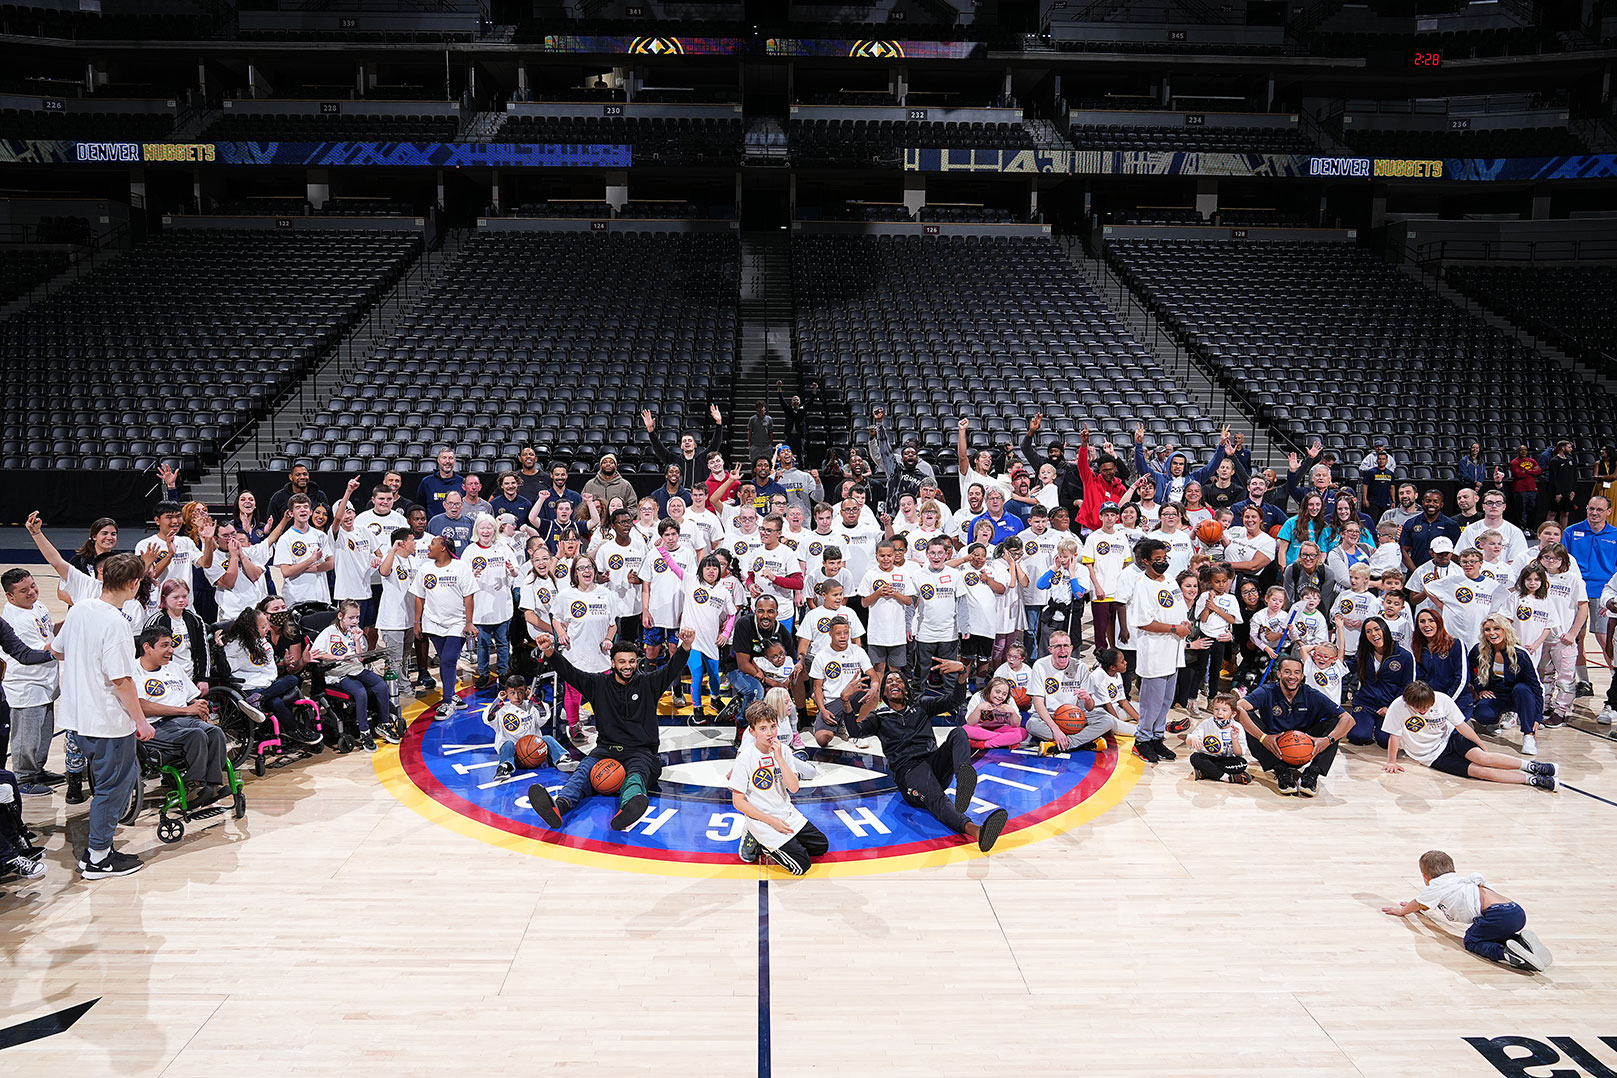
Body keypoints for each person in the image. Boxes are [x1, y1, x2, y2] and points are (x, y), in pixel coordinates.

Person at [526, 629, 695, 832]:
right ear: (613, 663)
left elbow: (672, 668)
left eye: (631, 661)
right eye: (622, 662)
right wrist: (550, 652)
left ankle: (628, 808)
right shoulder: (598, 684)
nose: (627, 666)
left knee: (636, 776)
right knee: (583, 772)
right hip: (605, 750)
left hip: (641, 752)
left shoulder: (649, 683)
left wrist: (685, 646)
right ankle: (558, 806)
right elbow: (570, 673)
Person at [56, 553, 154, 879]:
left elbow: (57, 650)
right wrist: (141, 721)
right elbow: (121, 680)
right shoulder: (116, 622)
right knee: (113, 789)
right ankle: (98, 858)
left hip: (77, 717)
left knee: (106, 786)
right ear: (133, 583)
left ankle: (98, 852)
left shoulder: (80, 608)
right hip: (107, 721)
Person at [849, 665, 1009, 852]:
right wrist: (846, 703)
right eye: (889, 681)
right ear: (884, 692)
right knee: (938, 799)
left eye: (898, 680)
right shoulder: (878, 717)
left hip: (934, 764)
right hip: (909, 773)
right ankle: (977, 831)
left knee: (959, 733)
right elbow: (855, 731)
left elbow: (954, 701)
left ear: (906, 689)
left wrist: (962, 674)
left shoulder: (921, 705)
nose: (894, 683)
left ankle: (964, 778)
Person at [1381, 850, 1553, 972]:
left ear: (1425, 877)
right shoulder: (1460, 881)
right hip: (1516, 912)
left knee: (1472, 940)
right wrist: (1420, 907)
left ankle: (1508, 954)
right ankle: (1523, 943)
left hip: (1498, 916)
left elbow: (1418, 902)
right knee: (1490, 934)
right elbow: (1424, 904)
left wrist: (1402, 911)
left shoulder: (1437, 885)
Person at [1381, 680, 1559, 792]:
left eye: (1427, 707)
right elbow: (1394, 736)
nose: (1423, 711)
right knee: (1480, 772)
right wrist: (1391, 761)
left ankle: (1533, 766)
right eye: (1419, 709)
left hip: (1449, 737)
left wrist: (1480, 743)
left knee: (1483, 758)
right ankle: (1533, 780)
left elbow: (1461, 725)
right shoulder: (1398, 706)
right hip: (1431, 756)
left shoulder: (1442, 699)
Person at [132, 628, 230, 802]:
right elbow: (141, 706)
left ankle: (213, 785)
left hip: (183, 721)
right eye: (165, 645)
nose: (171, 650)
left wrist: (200, 706)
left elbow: (192, 698)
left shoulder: (174, 668)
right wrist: (186, 710)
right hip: (153, 727)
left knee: (215, 732)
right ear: (147, 647)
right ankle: (192, 785)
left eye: (171, 645)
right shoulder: (133, 670)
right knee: (196, 736)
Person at [731, 702, 829, 875]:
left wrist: (780, 759)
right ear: (752, 732)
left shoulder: (783, 751)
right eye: (763, 728)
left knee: (821, 846)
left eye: (773, 726)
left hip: (786, 813)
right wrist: (770, 820)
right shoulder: (745, 758)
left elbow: (794, 788)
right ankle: (760, 840)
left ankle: (779, 843)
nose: (770, 733)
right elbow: (738, 802)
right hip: (762, 819)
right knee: (801, 866)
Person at [1234, 656, 1354, 798]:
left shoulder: (1311, 694)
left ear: (1302, 676)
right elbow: (1237, 708)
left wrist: (1327, 740)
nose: (1292, 676)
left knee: (1335, 721)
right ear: (1279, 674)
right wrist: (1263, 737)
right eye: (1287, 672)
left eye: (1297, 672)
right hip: (1273, 748)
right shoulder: (1267, 691)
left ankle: (1312, 773)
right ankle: (1280, 770)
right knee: (1246, 716)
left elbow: (1349, 720)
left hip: (1306, 748)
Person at [1126, 538, 1189, 764]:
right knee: (1151, 702)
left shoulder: (1170, 579)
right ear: (1146, 561)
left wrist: (1185, 623)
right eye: (1158, 559)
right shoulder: (1143, 585)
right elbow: (1143, 622)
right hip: (1155, 650)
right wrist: (1174, 628)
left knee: (1166, 700)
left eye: (1165, 558)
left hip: (1174, 649)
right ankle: (1142, 740)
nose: (1163, 562)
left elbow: (1178, 608)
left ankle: (1157, 737)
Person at [2, 568, 60, 796]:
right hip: (26, 686)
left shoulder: (37, 606)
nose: (32, 592)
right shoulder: (15, 620)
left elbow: (49, 633)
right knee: (27, 737)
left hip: (44, 682)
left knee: (43, 734)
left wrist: (72, 622)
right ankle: (23, 777)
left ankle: (37, 770)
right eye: (23, 591)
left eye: (33, 586)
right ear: (10, 596)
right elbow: (37, 652)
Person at [308, 600, 389, 752]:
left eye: (357, 617)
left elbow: (361, 658)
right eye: (351, 618)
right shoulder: (328, 633)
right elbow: (315, 653)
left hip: (356, 668)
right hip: (338, 673)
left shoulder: (356, 632)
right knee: (360, 692)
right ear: (340, 616)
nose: (355, 621)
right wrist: (336, 657)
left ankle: (384, 724)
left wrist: (358, 640)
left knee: (381, 685)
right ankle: (364, 732)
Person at [410, 535, 476, 715]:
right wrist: (417, 622)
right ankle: (452, 694)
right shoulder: (426, 568)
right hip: (432, 623)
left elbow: (469, 597)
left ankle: (447, 702)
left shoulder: (461, 567)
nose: (428, 547)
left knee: (448, 659)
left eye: (432, 544)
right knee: (445, 660)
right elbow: (419, 597)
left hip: (457, 623)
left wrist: (469, 622)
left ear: (443, 548)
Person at [1469, 615, 1545, 754]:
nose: (1492, 633)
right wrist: (1480, 690)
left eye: (1496, 628)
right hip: (1496, 696)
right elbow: (1470, 671)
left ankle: (1528, 735)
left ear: (1505, 630)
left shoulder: (1521, 654)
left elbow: (1536, 687)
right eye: (1487, 630)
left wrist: (1538, 717)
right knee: (1482, 714)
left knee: (1522, 689)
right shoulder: (1478, 650)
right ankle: (1495, 720)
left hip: (1518, 696)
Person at [1564, 495, 1615, 698]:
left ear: (1608, 512)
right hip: (1576, 593)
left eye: (1599, 510)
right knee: (1577, 638)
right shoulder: (1571, 532)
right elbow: (1563, 562)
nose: (1594, 513)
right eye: (1591, 508)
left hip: (1603, 594)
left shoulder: (1615, 535)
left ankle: (1615, 680)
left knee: (1605, 639)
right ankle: (1584, 682)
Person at [486, 675, 578, 779]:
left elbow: (544, 715)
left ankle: (562, 759)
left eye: (520, 692)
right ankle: (504, 767)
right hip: (514, 754)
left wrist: (534, 698)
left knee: (548, 738)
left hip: (535, 751)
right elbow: (489, 717)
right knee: (508, 744)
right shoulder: (502, 709)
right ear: (506, 693)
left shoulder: (532, 706)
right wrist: (498, 701)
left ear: (526, 692)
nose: (516, 697)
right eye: (512, 693)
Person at [1351, 616, 1415, 746]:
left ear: (1385, 630)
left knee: (1386, 741)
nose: (1373, 634)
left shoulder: (1404, 656)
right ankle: (1368, 727)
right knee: (1357, 737)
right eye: (1368, 631)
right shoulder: (1363, 653)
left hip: (1389, 705)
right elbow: (1344, 666)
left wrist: (1391, 708)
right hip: (1365, 704)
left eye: (1376, 629)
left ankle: (1377, 729)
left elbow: (1407, 686)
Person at [274, 494, 335, 608]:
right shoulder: (285, 539)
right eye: (298, 507)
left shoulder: (321, 536)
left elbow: (330, 564)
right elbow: (286, 571)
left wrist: (301, 568)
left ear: (310, 512)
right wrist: (312, 560)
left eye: (306, 507)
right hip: (296, 598)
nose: (303, 510)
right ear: (291, 513)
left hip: (321, 597)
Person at [1187, 692, 1251, 783]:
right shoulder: (1207, 723)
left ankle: (1206, 772)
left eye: (1224, 710)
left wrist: (1234, 739)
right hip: (1209, 757)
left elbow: (1239, 753)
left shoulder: (1238, 727)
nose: (1219, 712)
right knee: (1195, 758)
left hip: (1226, 760)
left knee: (1242, 763)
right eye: (1216, 709)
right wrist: (1192, 739)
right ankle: (1227, 778)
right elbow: (1190, 739)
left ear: (1233, 714)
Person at [265, 461, 330, 523]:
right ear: (291, 477)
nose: (302, 477)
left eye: (305, 474)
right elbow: (272, 523)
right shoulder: (278, 497)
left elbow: (326, 519)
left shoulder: (320, 496)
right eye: (298, 474)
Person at [416, 447, 465, 513]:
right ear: (438, 460)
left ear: (455, 461)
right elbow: (420, 507)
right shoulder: (426, 482)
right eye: (444, 458)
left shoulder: (462, 482)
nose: (447, 461)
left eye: (451, 458)